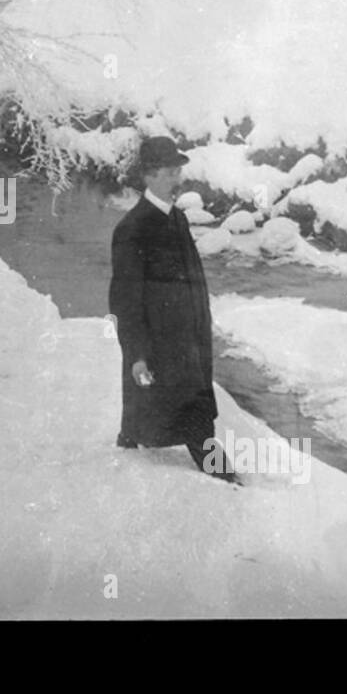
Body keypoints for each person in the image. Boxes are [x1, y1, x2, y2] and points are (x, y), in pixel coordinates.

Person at [108, 136, 240, 483]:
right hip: (161, 344)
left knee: (166, 405)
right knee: (192, 416)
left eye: (177, 171)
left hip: (189, 340)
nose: (177, 179)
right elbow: (124, 300)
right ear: (149, 176)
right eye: (169, 172)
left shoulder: (177, 218)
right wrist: (136, 354)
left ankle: (128, 439)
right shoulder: (131, 229)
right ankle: (226, 479)